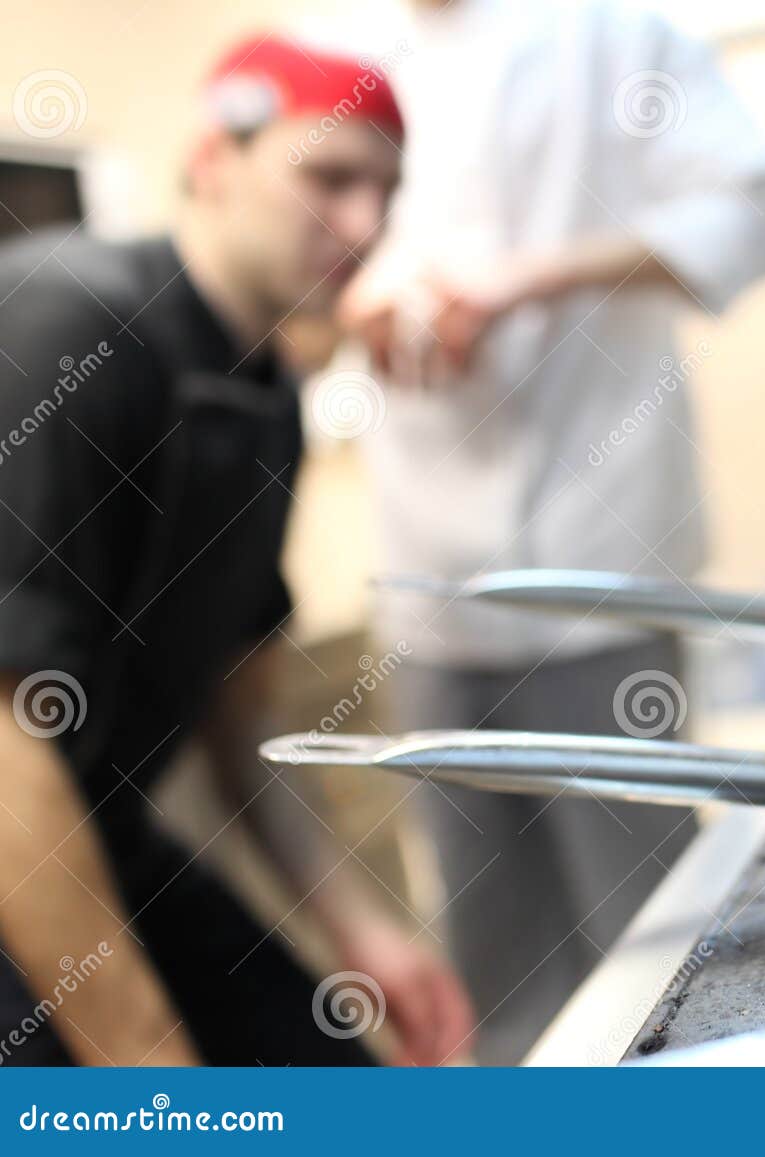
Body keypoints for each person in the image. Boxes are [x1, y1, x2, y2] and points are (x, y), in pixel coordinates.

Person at [337, 0, 765, 1063]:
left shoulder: (612, 33)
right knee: (495, 952)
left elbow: (761, 213)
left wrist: (524, 277)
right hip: (426, 583)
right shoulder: (347, 48)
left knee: (654, 943)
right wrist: (352, 298)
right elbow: (305, 256)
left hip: (595, 558)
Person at [0, 34, 473, 1066]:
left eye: (387, 190)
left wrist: (361, 926)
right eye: (330, 176)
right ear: (213, 160)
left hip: (97, 826)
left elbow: (237, 701)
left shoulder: (268, 394)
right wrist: (148, 1072)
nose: (367, 224)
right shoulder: (69, 324)